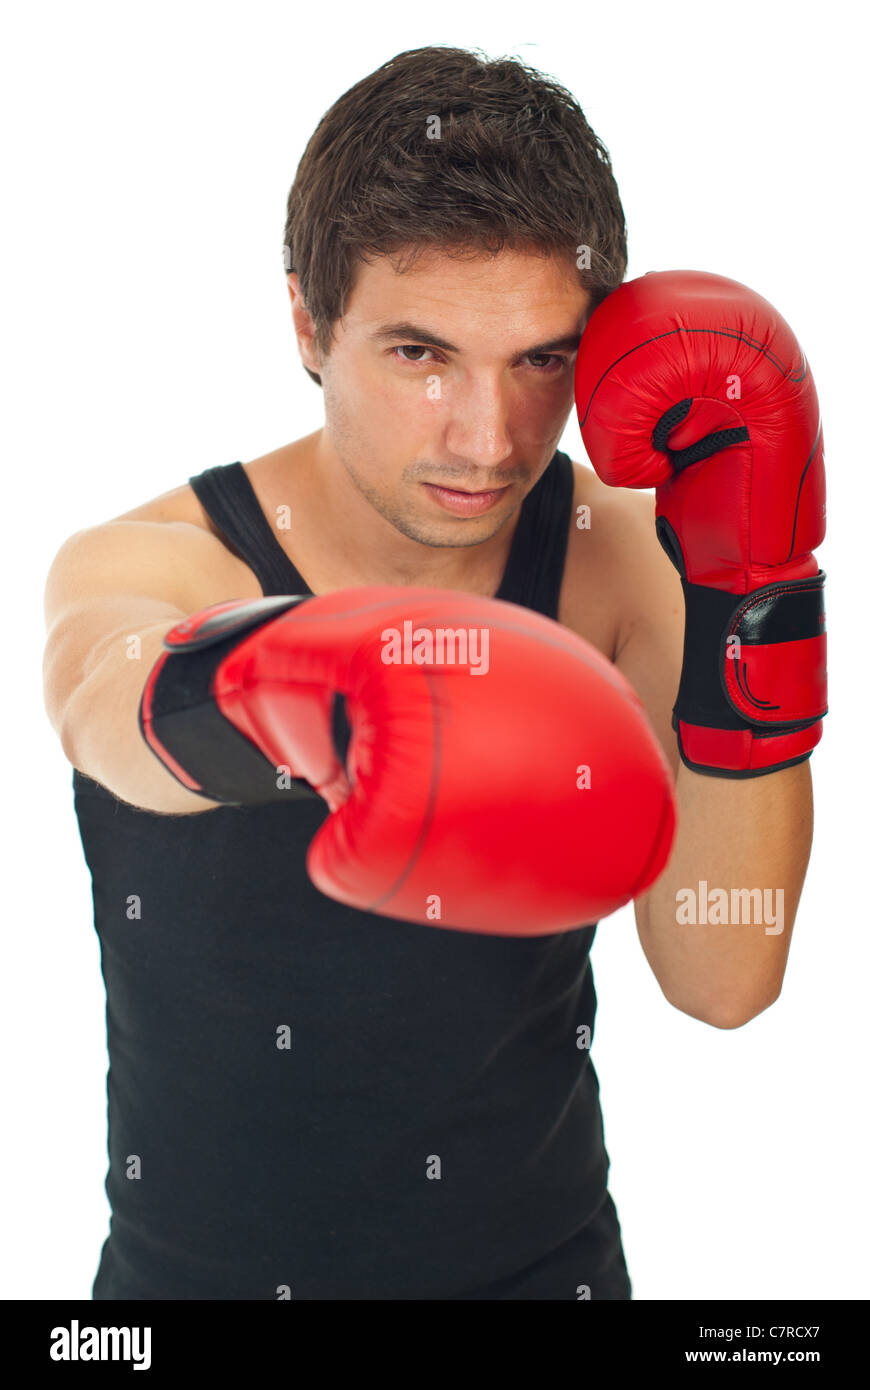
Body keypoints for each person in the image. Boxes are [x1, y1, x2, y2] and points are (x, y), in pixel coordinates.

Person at [41, 46, 825, 1300]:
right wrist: (318, 687)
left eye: (540, 361)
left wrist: (754, 586)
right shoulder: (157, 559)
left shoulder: (618, 565)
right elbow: (102, 696)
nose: (489, 437)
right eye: (421, 355)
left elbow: (726, 977)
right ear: (309, 319)